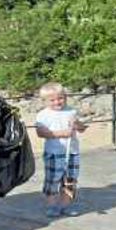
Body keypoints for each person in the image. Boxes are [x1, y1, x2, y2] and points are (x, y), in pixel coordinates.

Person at [35, 82, 86, 218]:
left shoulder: (71, 111)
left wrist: (77, 124)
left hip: (72, 152)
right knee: (52, 180)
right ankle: (52, 206)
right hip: (54, 153)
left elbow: (82, 128)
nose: (57, 102)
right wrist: (62, 133)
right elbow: (41, 132)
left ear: (65, 97)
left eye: (60, 98)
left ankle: (65, 205)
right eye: (52, 100)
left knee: (70, 180)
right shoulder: (43, 115)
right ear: (44, 101)